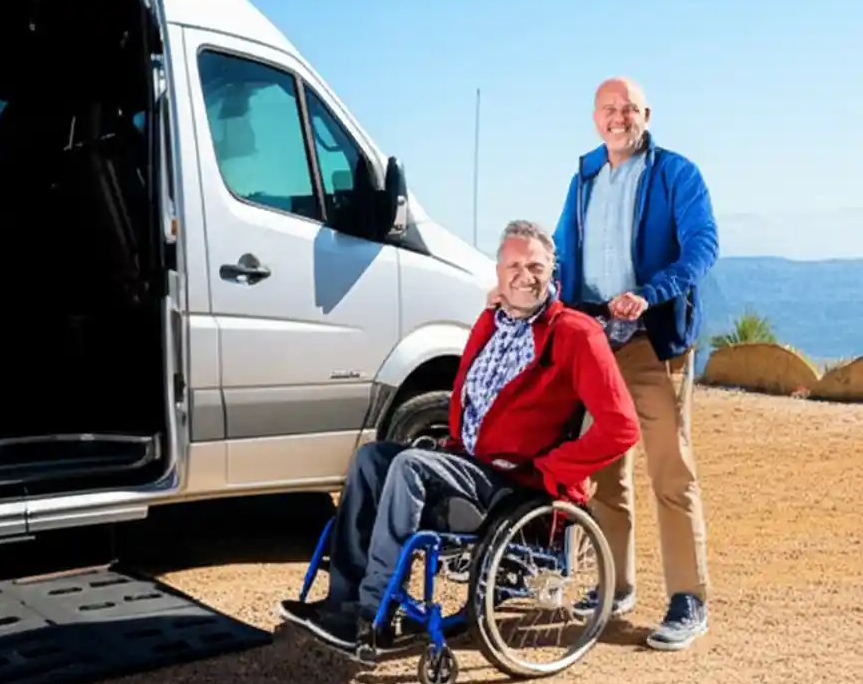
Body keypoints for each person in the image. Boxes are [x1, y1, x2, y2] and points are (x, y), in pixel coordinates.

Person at [279, 220, 641, 652]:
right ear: (498, 273)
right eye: (513, 265)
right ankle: (343, 601)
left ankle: (371, 613)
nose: (525, 275)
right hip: (468, 460)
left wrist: (554, 468)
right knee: (372, 458)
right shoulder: (491, 321)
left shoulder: (576, 334)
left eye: (536, 265)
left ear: (553, 271)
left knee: (411, 466)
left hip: (514, 479)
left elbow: (622, 427)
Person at [545, 76, 719, 651]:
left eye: (628, 108)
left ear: (646, 114)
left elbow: (703, 245)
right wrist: (533, 291)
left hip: (652, 337)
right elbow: (561, 255)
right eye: (608, 109)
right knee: (603, 469)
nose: (618, 117)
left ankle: (688, 599)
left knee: (670, 469)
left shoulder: (676, 173)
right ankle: (616, 586)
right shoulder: (583, 178)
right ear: (595, 118)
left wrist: (650, 290)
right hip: (594, 340)